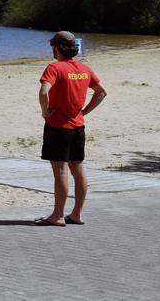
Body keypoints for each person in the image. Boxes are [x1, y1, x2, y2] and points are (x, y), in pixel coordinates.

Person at [34, 31, 107, 227]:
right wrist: (84, 112)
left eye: (53, 46)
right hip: (78, 127)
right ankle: (77, 214)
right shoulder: (83, 68)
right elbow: (101, 93)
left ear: (56, 47)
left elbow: (43, 91)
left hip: (58, 127)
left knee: (61, 172)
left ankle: (58, 215)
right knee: (78, 168)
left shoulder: (54, 67)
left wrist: (45, 111)